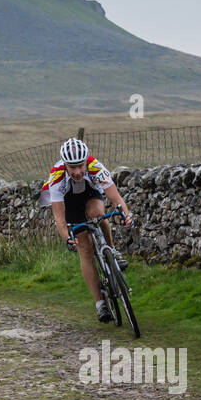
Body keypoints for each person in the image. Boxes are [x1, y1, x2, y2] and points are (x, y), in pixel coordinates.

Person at [40, 138, 134, 323]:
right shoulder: (57, 177)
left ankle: (112, 250)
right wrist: (68, 238)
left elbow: (116, 198)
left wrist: (126, 216)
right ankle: (100, 303)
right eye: (72, 167)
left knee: (97, 214)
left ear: (86, 161)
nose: (77, 172)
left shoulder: (95, 167)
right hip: (69, 201)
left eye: (80, 166)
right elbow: (60, 217)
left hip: (90, 193)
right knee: (84, 246)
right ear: (65, 165)